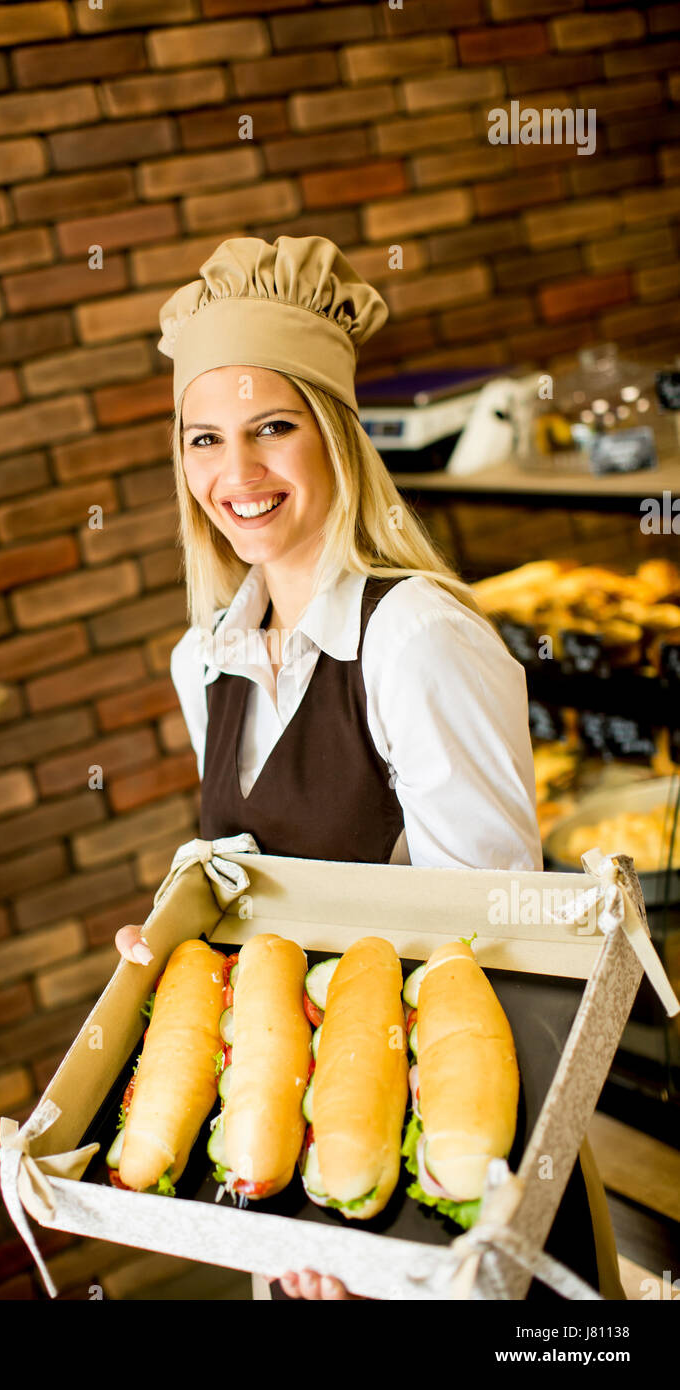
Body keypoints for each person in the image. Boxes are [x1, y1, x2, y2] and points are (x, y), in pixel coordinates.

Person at [114, 235, 626, 1303]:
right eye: (203, 438)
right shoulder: (202, 653)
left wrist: (383, 1243)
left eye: (271, 429)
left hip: (445, 1178)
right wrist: (181, 960)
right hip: (303, 1169)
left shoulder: (416, 638)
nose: (235, 475)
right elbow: (264, 898)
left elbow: (493, 951)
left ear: (336, 439)